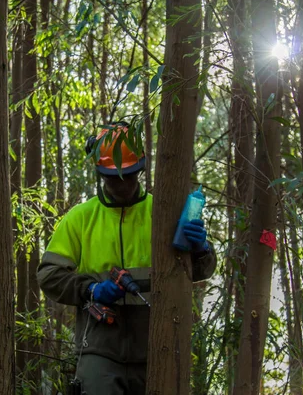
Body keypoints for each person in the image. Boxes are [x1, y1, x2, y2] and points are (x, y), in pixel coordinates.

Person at [36, 121, 217, 395]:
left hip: (158, 347)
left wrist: (201, 248)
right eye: (113, 176)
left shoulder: (163, 213)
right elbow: (49, 275)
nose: (122, 183)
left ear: (140, 170)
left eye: (128, 175)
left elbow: (201, 270)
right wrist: (90, 289)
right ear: (100, 173)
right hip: (99, 348)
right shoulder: (79, 218)